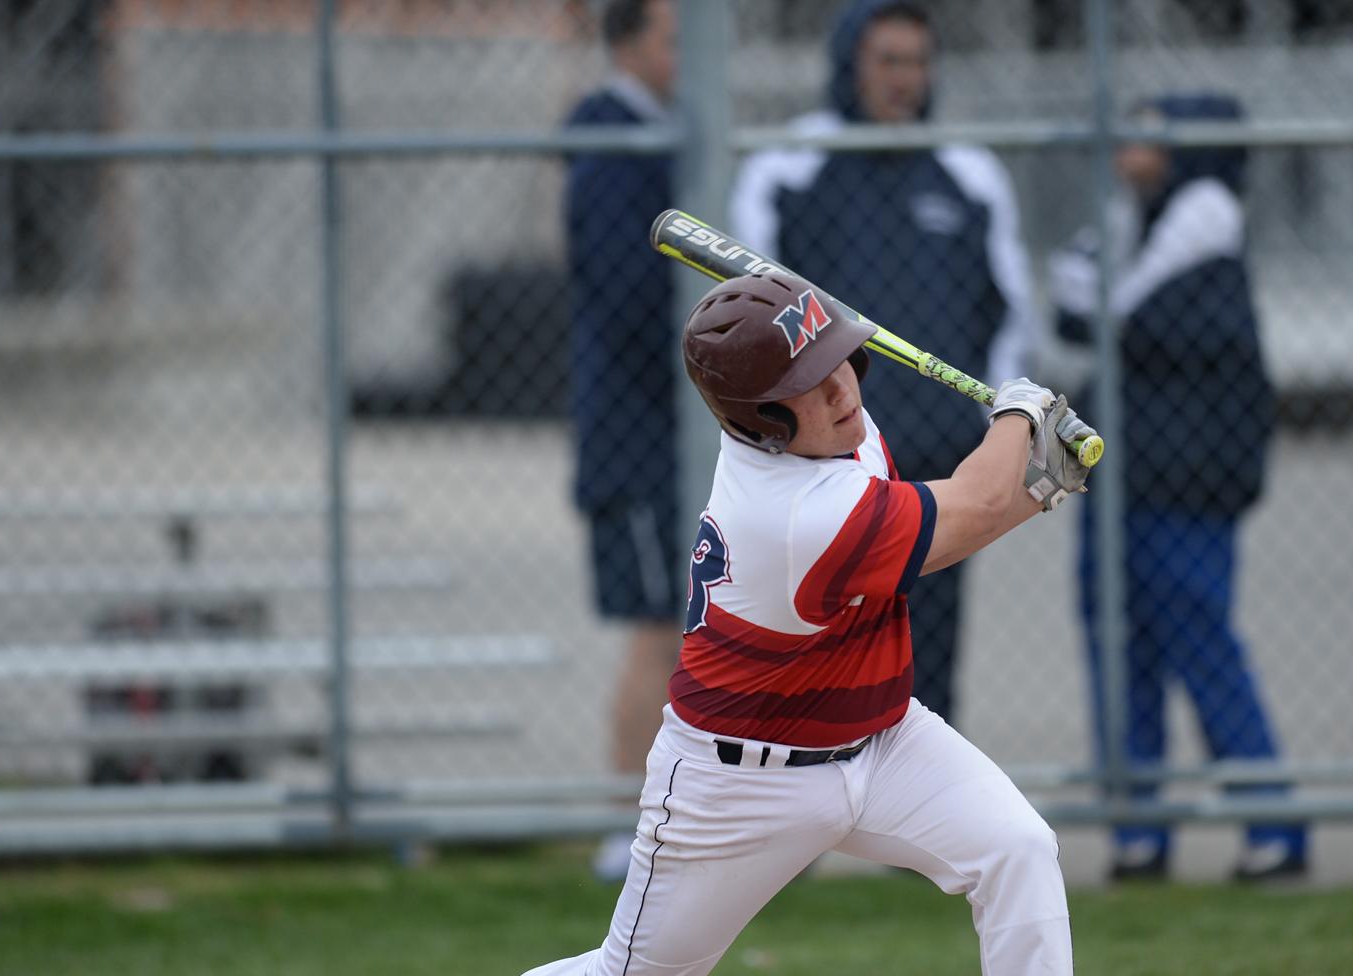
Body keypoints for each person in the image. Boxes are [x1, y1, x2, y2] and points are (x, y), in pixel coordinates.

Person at [405, 273, 1097, 976]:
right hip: (737, 782)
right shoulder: (795, 514)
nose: (842, 390)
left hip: (883, 739)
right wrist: (1019, 410)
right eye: (808, 382)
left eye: (839, 360)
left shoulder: (833, 434)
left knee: (1017, 849)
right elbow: (966, 505)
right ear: (762, 420)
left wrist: (1035, 486)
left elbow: (929, 536)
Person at [729, 0, 1039, 727]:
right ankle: (795, 830)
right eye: (888, 61)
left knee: (928, 670)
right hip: (819, 469)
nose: (906, 79)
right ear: (850, 65)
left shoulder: (970, 173)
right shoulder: (788, 165)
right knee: (804, 658)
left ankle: (919, 838)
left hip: (931, 468)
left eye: (918, 61)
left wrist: (986, 425)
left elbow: (1009, 313)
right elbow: (752, 314)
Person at [1047, 93, 1308, 882]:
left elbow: (1121, 319)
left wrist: (1099, 294)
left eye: (1152, 133)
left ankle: (1274, 824)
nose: (1129, 146)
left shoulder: (1204, 230)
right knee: (1117, 641)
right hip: (1121, 482)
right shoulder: (1139, 225)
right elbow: (1072, 316)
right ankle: (1140, 826)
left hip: (1181, 492)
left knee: (1201, 643)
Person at [561, 0, 683, 881]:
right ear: (630, 42)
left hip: (673, 436)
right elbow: (630, 294)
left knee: (692, 624)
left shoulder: (669, 135)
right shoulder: (612, 144)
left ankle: (684, 818)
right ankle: (626, 825)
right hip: (637, 437)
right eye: (677, 36)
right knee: (660, 626)